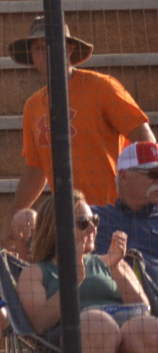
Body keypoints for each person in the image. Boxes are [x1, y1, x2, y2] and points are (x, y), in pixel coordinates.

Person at [18, 192, 158, 353]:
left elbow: (142, 308)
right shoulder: (36, 272)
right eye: (83, 223)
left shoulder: (110, 261)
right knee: (97, 322)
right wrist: (74, 281)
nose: (92, 228)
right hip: (74, 344)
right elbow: (39, 323)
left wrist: (116, 268)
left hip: (126, 346)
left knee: (147, 326)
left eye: (94, 221)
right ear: (57, 227)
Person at [9, 16, 154, 215]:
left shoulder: (103, 87)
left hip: (117, 212)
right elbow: (35, 170)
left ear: (69, 49)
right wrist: (11, 218)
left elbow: (145, 140)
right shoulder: (32, 106)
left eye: (52, 44)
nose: (46, 53)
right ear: (32, 57)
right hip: (69, 221)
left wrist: (142, 197)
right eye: (39, 48)